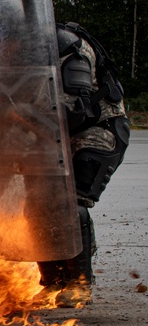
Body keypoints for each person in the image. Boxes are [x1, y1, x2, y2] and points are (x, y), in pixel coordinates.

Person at [37, 21, 130, 307]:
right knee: (36, 204)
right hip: (58, 136)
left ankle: (79, 284)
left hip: (98, 131)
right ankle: (52, 282)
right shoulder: (19, 53)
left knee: (69, 202)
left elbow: (74, 109)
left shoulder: (67, 45)